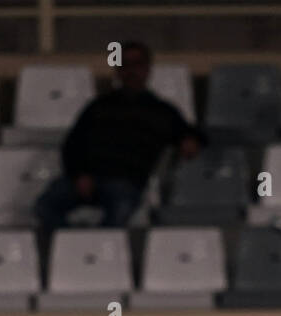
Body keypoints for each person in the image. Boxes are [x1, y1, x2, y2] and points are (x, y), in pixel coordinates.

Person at [34, 40, 203, 235]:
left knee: (119, 210)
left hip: (126, 183)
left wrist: (191, 140)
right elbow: (72, 144)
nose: (131, 71)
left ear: (148, 69)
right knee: (44, 207)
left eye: (137, 65)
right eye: (125, 65)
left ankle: (96, 247)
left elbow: (190, 133)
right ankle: (76, 243)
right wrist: (79, 174)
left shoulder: (162, 111)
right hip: (87, 177)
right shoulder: (99, 106)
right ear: (118, 70)